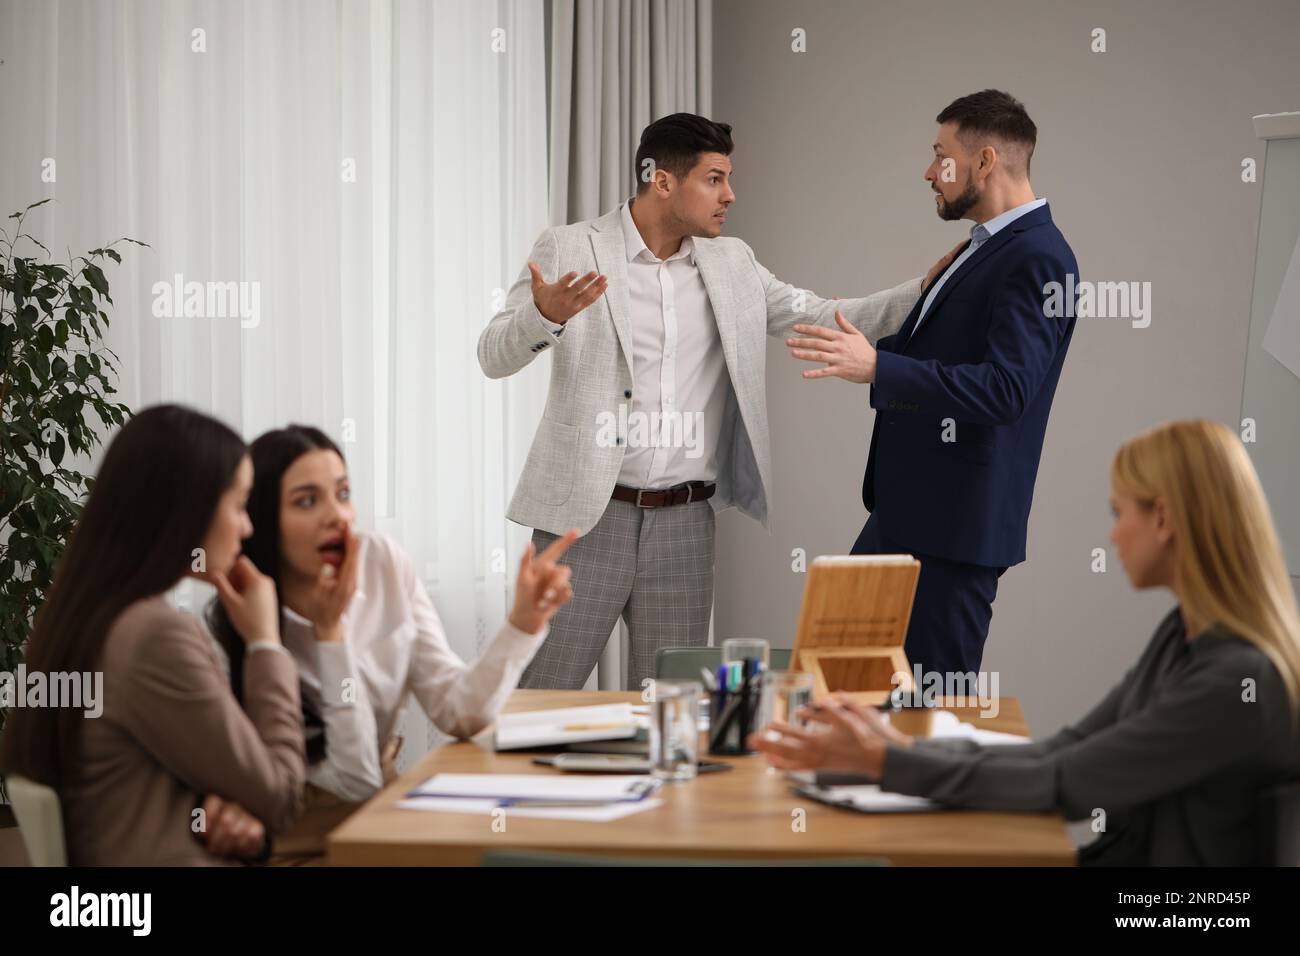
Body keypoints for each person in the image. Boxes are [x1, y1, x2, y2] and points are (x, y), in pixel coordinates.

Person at [479, 111, 957, 691]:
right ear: (662, 181)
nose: (729, 195)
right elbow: (493, 355)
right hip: (585, 522)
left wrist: (926, 292)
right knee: (539, 698)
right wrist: (544, 314)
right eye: (713, 178)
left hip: (685, 524)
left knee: (673, 708)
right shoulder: (570, 247)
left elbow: (818, 314)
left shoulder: (732, 262)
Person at [750, 419, 1300, 866]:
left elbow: (1065, 783)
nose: (1111, 534)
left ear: (1163, 519)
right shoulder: (1183, 638)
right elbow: (1062, 748)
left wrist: (887, 762)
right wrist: (894, 751)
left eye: (1119, 512)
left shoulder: (1236, 681)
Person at [790, 90, 1078, 675]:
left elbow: (1006, 390)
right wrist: (877, 357)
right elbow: (953, 355)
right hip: (906, 515)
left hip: (953, 533)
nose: (929, 172)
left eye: (940, 155)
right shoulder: (984, 250)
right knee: (836, 686)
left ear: (986, 160)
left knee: (934, 719)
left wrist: (878, 367)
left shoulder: (1040, 258)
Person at [209, 425, 575, 811]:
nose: (337, 515)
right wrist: (330, 634)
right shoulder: (238, 617)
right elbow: (354, 782)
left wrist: (521, 625)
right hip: (289, 829)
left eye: (343, 493)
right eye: (306, 501)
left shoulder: (382, 562)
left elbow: (457, 711)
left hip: (374, 810)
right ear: (262, 521)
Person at [1, 404, 305, 865]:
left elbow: (139, 777)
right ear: (190, 509)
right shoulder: (155, 635)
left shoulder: (84, 617)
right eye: (240, 505)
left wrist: (213, 806)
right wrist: (265, 641)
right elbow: (282, 796)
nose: (247, 527)